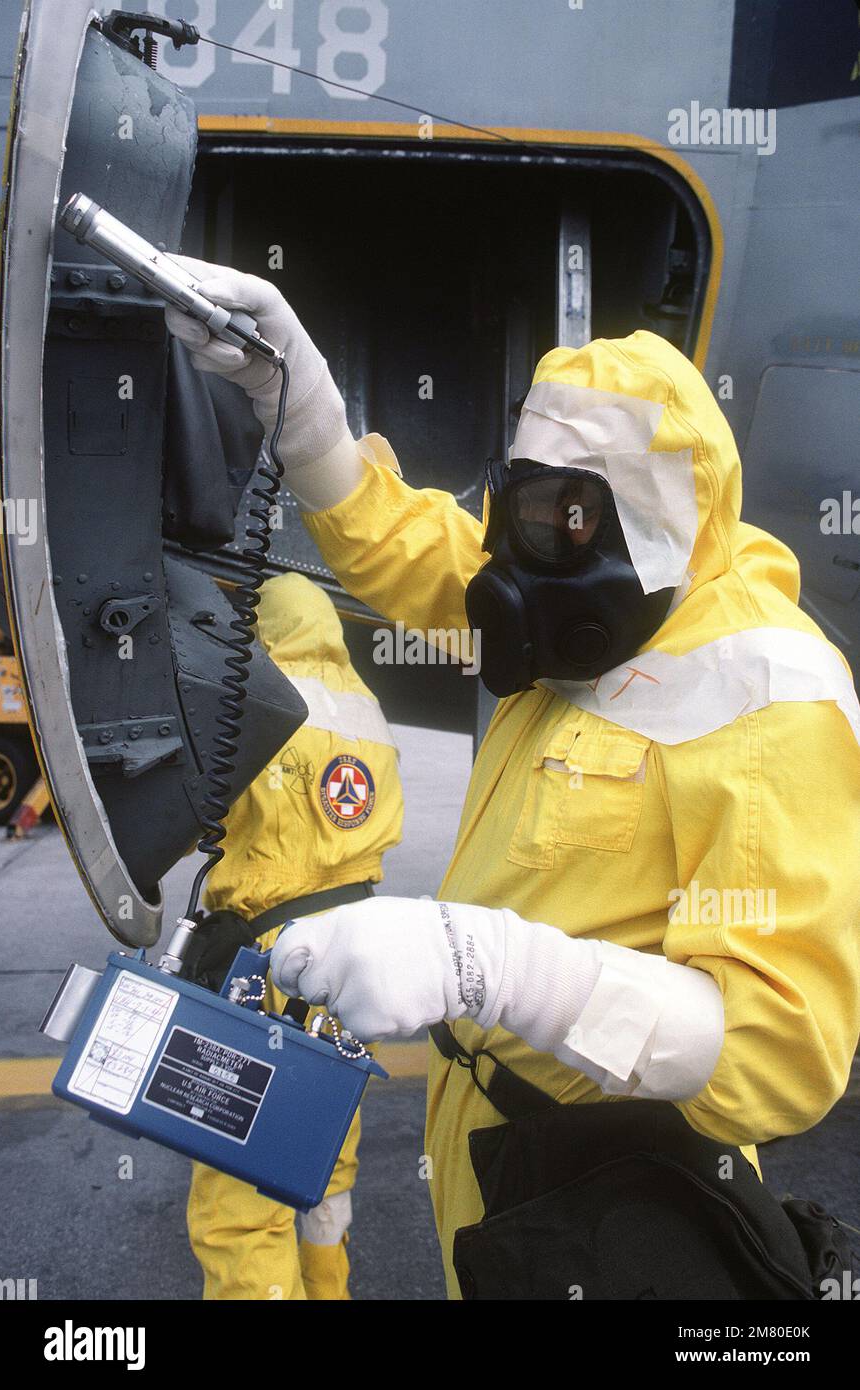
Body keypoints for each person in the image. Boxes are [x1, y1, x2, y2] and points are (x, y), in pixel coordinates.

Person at [166, 259, 860, 1300]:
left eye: (560, 518)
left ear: (649, 521)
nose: (513, 555)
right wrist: (293, 393)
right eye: (517, 505)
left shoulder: (763, 695)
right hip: (492, 1163)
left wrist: (486, 964)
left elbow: (784, 1048)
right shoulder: (569, 607)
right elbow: (407, 549)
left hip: (609, 1188)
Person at [185, 570, 404, 1300]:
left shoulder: (256, 702)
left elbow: (203, 817)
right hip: (352, 964)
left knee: (240, 1202)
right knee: (321, 1158)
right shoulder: (366, 712)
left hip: (270, 972)